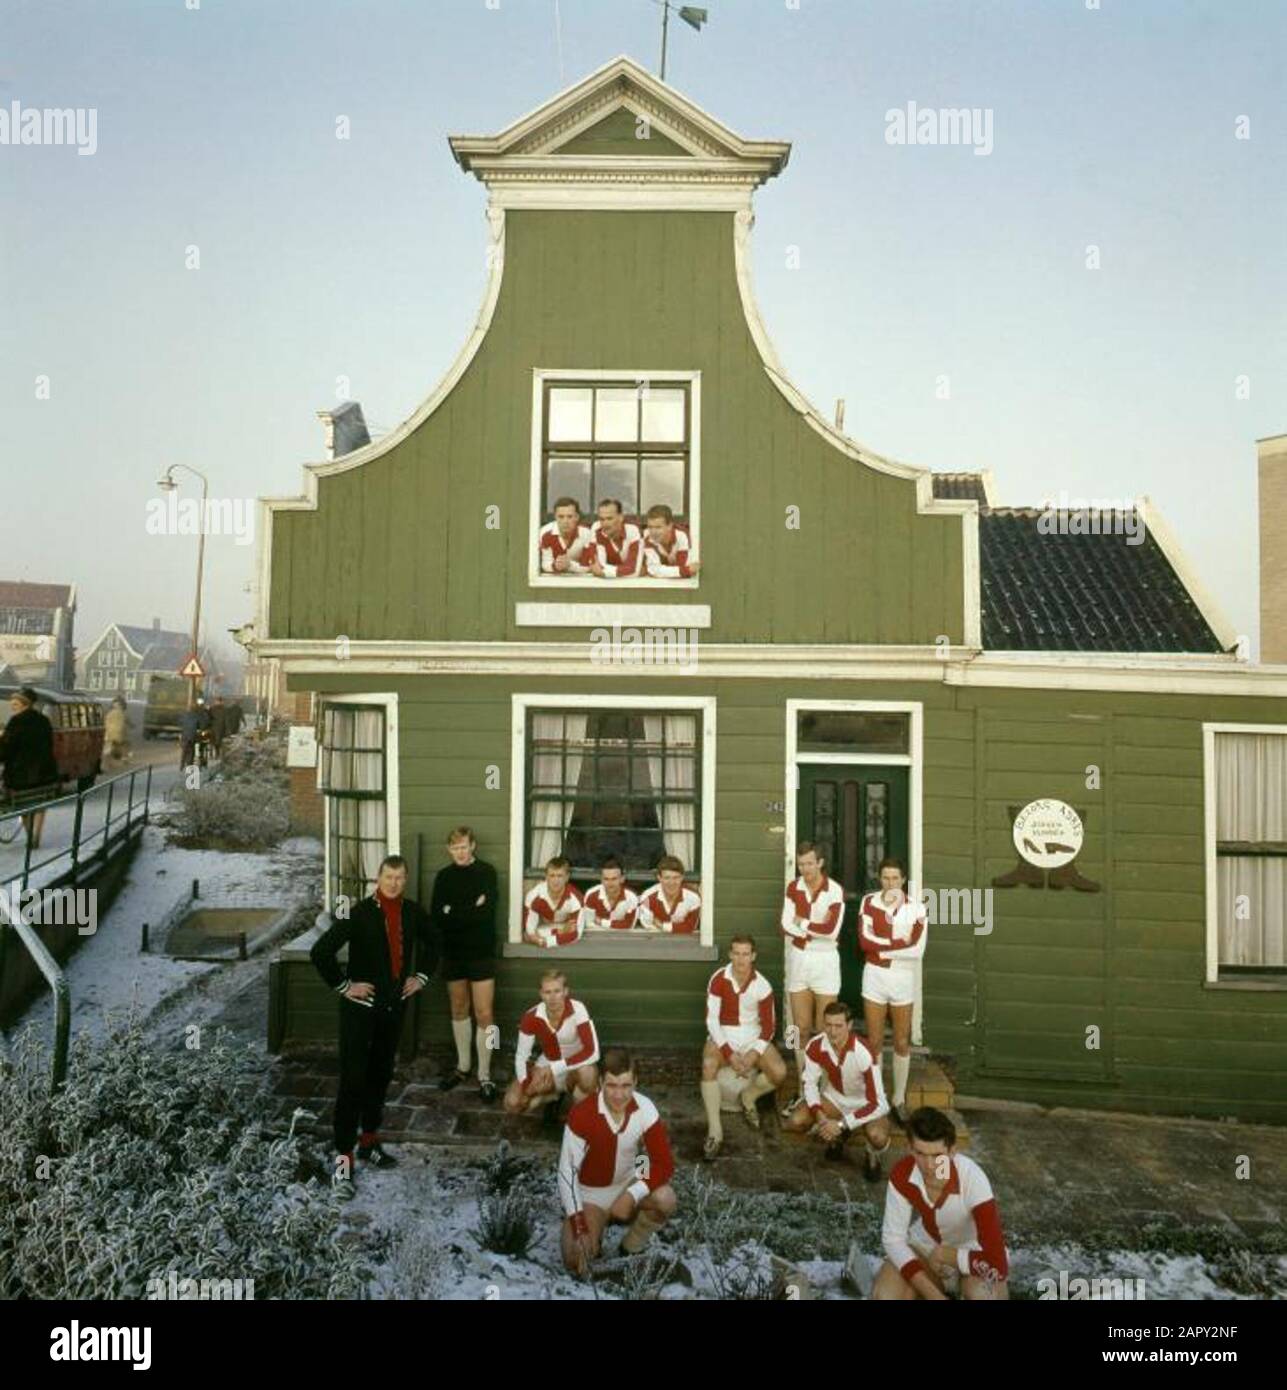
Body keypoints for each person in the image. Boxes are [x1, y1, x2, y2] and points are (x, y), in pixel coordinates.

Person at [309, 854, 439, 1196]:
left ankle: (369, 1142)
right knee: (353, 1081)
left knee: (380, 1077)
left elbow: (435, 943)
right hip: (359, 1011)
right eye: (388, 877)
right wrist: (344, 986)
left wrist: (421, 976)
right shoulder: (360, 913)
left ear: (405, 880)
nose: (394, 883)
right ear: (377, 879)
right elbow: (320, 951)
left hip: (392, 1009)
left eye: (399, 877)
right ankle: (343, 1161)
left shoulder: (411, 912)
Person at [558, 1047, 677, 1277]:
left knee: (666, 1198)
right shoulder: (582, 1114)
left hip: (627, 1182)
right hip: (591, 1196)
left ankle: (630, 1247)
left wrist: (633, 1193)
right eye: (611, 1085)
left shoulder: (645, 1108)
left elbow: (664, 1163)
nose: (619, 1095)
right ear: (600, 1082)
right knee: (575, 1257)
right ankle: (596, 1233)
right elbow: (566, 1173)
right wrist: (579, 1224)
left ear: (636, 1082)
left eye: (626, 1086)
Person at [874, 1107, 1010, 1300]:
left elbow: (997, 1264)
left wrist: (946, 1254)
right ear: (909, 1148)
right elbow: (893, 1240)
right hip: (927, 1249)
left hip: (973, 1253)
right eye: (920, 1153)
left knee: (985, 1296)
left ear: (952, 1151)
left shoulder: (973, 1178)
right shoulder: (902, 1173)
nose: (929, 1165)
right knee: (886, 1295)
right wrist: (934, 1295)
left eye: (938, 1155)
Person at [783, 1000, 892, 1182]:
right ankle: (839, 1138)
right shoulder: (816, 1045)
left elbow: (879, 1103)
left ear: (849, 1025)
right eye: (828, 1025)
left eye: (838, 1026)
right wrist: (820, 1117)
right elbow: (809, 1084)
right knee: (796, 1120)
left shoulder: (863, 1050)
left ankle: (871, 1153)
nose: (833, 1031)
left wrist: (841, 1125)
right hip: (836, 1099)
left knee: (878, 1137)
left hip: (865, 1103)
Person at [430, 827, 501, 1101]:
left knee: (485, 1014)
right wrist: (471, 909)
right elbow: (438, 915)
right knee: (459, 1008)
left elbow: (487, 914)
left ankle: (485, 1073)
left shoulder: (487, 872)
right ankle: (463, 1066)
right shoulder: (444, 877)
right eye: (454, 848)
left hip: (481, 952)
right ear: (450, 850)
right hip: (453, 953)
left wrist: (455, 913)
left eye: (464, 846)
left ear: (473, 846)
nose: (460, 852)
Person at [700, 935, 786, 1159]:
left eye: (745, 954)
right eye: (736, 953)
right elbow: (711, 1021)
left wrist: (751, 1055)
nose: (740, 959)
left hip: (752, 1035)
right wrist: (728, 1053)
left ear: (753, 956)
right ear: (730, 954)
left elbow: (769, 1027)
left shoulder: (762, 985)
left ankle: (749, 1096)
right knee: (708, 1065)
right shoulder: (718, 979)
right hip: (724, 1034)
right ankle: (715, 1131)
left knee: (779, 1072)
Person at [858, 857, 928, 1125]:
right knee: (874, 1041)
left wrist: (882, 950)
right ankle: (875, 1096)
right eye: (886, 878)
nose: (890, 883)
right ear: (880, 878)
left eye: (895, 878)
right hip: (874, 978)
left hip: (902, 980)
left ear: (903, 880)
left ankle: (898, 1098)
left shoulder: (917, 908)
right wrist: (898, 943)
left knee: (901, 1041)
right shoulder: (869, 902)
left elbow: (917, 951)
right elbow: (864, 942)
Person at [779, 842, 845, 1117]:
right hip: (799, 959)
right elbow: (784, 924)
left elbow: (831, 931)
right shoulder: (794, 887)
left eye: (809, 863)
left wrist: (802, 924)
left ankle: (824, 1088)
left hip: (825, 961)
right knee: (798, 1029)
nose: (804, 869)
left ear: (820, 863)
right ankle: (803, 1086)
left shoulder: (834, 890)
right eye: (800, 863)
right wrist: (807, 928)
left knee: (824, 1028)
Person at [503, 969, 600, 1127]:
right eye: (548, 992)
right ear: (541, 993)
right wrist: (527, 1085)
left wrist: (554, 1069)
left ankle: (577, 1115)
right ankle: (552, 1096)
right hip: (548, 1063)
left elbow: (593, 1052)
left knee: (588, 1076)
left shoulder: (578, 1008)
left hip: (577, 1065)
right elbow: (521, 1057)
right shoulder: (531, 1016)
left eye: (557, 991)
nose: (553, 997)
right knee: (512, 1103)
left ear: (565, 991)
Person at [0, 687, 58, 848]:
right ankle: (36, 836)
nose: (12, 705)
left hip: (20, 774)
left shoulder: (15, 722)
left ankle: (30, 837)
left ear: (25, 704)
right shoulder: (44, 721)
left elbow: (6, 748)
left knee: (23, 805)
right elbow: (49, 745)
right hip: (44, 771)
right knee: (40, 805)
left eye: (16, 703)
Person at [522, 855, 585, 948]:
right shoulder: (534, 896)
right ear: (546, 877)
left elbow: (576, 934)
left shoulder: (576, 898)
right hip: (544, 926)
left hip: (555, 928)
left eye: (560, 876)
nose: (556, 880)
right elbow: (530, 932)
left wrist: (545, 942)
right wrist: (561, 932)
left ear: (567, 877)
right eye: (552, 875)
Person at [636, 855, 700, 934]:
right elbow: (648, 926)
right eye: (667, 878)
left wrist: (663, 926)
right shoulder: (647, 896)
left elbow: (690, 927)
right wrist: (677, 927)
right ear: (659, 878)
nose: (671, 883)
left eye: (676, 877)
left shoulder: (693, 897)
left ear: (682, 877)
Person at [588, 498, 643, 579]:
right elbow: (597, 566)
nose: (605, 523)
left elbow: (634, 571)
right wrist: (621, 570)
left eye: (609, 518)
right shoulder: (597, 528)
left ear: (621, 517)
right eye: (602, 519)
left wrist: (605, 572)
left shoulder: (632, 531)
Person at [579, 857, 639, 932]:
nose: (610, 883)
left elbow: (629, 925)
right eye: (606, 879)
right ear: (601, 879)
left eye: (614, 879)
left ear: (622, 879)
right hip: (597, 938)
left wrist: (602, 922)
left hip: (622, 939)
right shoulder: (591, 895)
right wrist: (615, 926)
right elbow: (589, 924)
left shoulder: (631, 898)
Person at [642, 503, 701, 578]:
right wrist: (682, 570)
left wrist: (678, 570)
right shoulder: (647, 537)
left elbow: (682, 567)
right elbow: (654, 570)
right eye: (650, 527)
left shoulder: (682, 536)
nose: (653, 532)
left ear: (670, 526)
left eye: (658, 527)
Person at [539, 497, 593, 574]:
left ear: (577, 517)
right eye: (561, 517)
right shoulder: (544, 533)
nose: (565, 521)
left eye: (569, 516)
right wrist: (556, 566)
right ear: (555, 517)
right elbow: (545, 564)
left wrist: (570, 565)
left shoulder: (586, 534)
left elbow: (589, 566)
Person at [103, 695, 131, 764]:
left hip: (109, 733)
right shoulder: (123, 714)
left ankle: (106, 760)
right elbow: (129, 722)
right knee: (125, 745)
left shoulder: (109, 713)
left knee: (108, 746)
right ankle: (125, 758)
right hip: (120, 733)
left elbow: (105, 721)